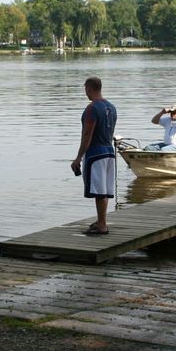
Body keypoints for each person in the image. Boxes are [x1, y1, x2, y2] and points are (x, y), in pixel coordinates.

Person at [71, 77, 117, 235]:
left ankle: (102, 225)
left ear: (89, 89)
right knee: (104, 189)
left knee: (98, 191)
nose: (86, 93)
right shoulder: (111, 107)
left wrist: (78, 157)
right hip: (109, 152)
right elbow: (110, 133)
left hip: (96, 153)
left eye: (85, 89)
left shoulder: (91, 109)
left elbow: (87, 134)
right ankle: (101, 220)